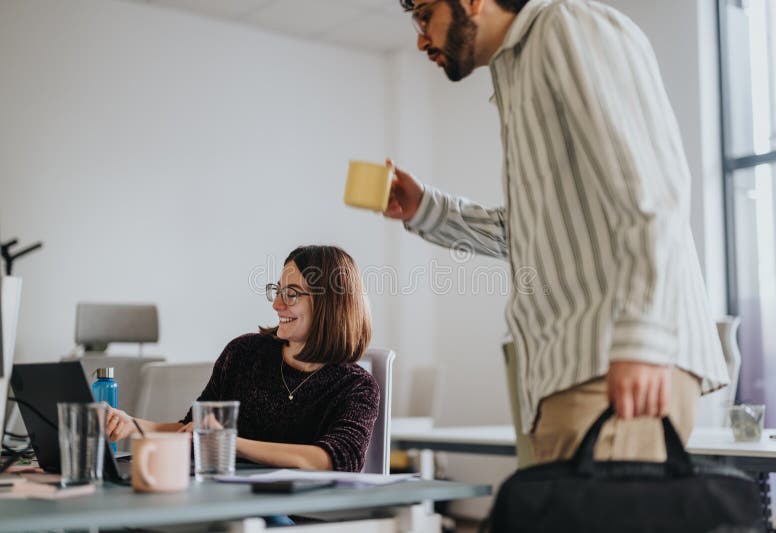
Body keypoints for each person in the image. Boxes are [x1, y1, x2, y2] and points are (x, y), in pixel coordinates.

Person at [385, 0, 730, 464]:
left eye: (425, 15)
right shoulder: (516, 72)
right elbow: (534, 232)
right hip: (573, 369)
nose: (421, 38)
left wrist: (640, 342)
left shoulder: (564, 27)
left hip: (610, 362)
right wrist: (426, 208)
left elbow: (653, 190)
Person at [104, 245, 379, 473]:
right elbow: (192, 429)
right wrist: (134, 425)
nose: (277, 304)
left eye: (291, 294)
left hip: (290, 516)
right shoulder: (244, 354)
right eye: (278, 290)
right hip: (218, 499)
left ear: (330, 304)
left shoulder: (357, 387)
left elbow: (336, 460)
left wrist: (230, 443)